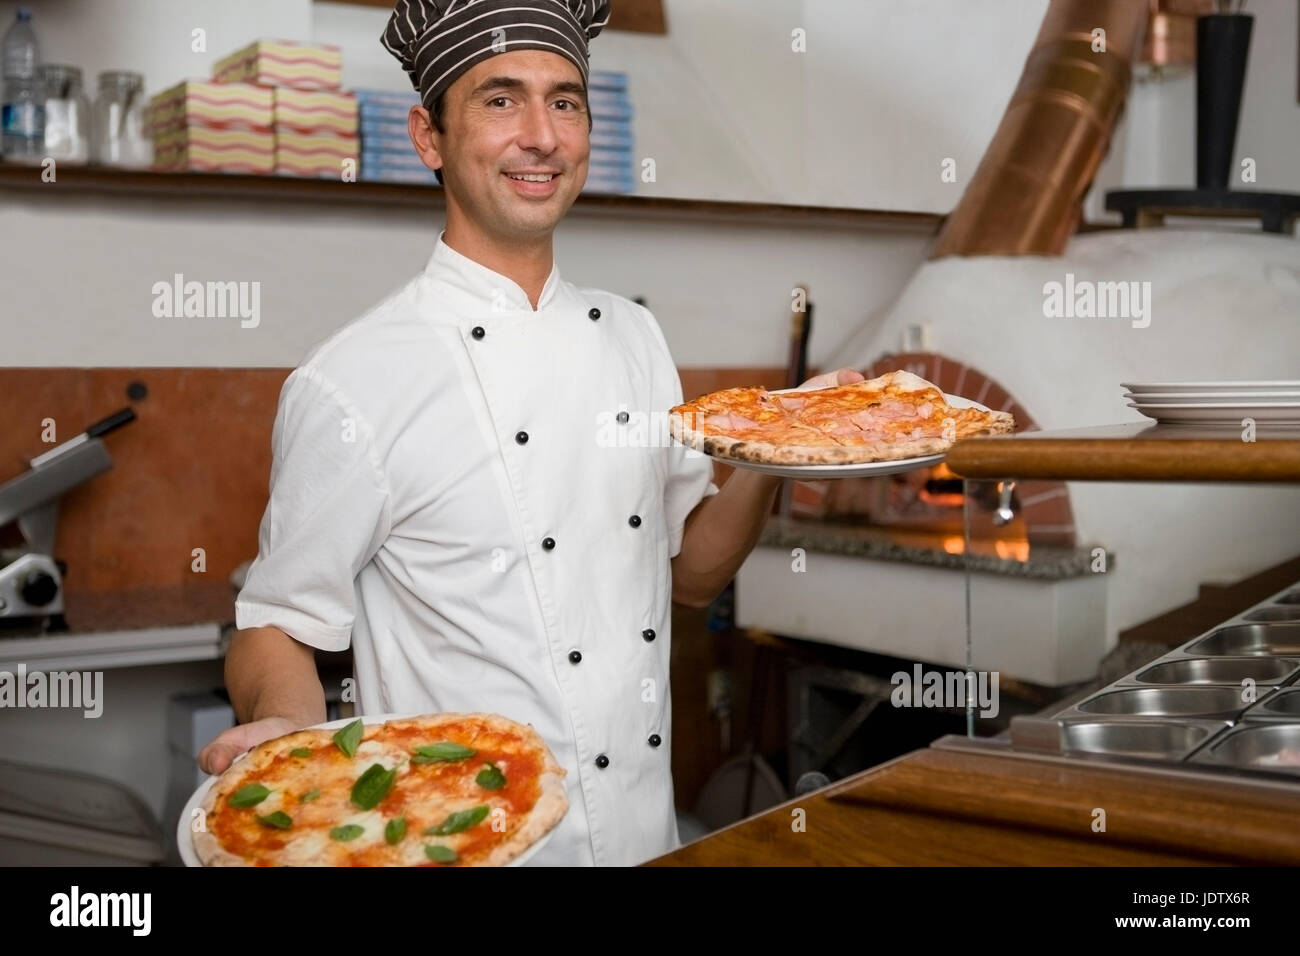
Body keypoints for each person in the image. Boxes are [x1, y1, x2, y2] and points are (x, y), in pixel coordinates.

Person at [197, 0, 863, 865]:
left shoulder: (634, 337)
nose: (542, 136)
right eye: (501, 100)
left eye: (567, 101)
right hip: (467, 841)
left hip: (643, 836)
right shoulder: (353, 377)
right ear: (429, 137)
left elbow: (691, 575)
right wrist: (288, 728)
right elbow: (277, 624)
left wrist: (783, 445)